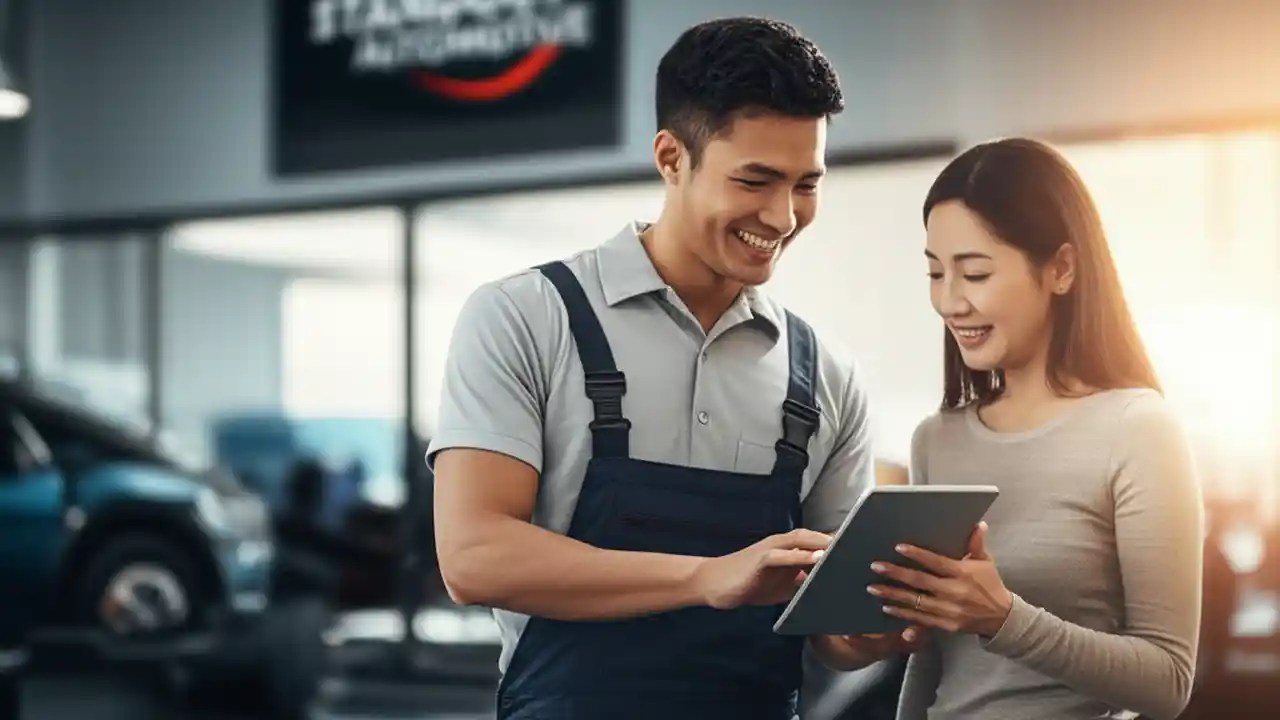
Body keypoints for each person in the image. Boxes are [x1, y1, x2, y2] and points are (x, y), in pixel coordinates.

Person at [429, 17, 923, 720]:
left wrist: (883, 625)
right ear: (671, 158)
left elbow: (834, 630)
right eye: (755, 180)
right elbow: (474, 556)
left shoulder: (827, 377)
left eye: (806, 184)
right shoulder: (524, 318)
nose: (782, 216)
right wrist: (705, 578)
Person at [875, 138, 1203, 719]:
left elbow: (1168, 680)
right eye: (935, 272)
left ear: (1061, 269)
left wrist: (1004, 619)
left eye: (974, 272)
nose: (949, 301)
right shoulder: (936, 440)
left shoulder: (1137, 429)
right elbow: (933, 660)